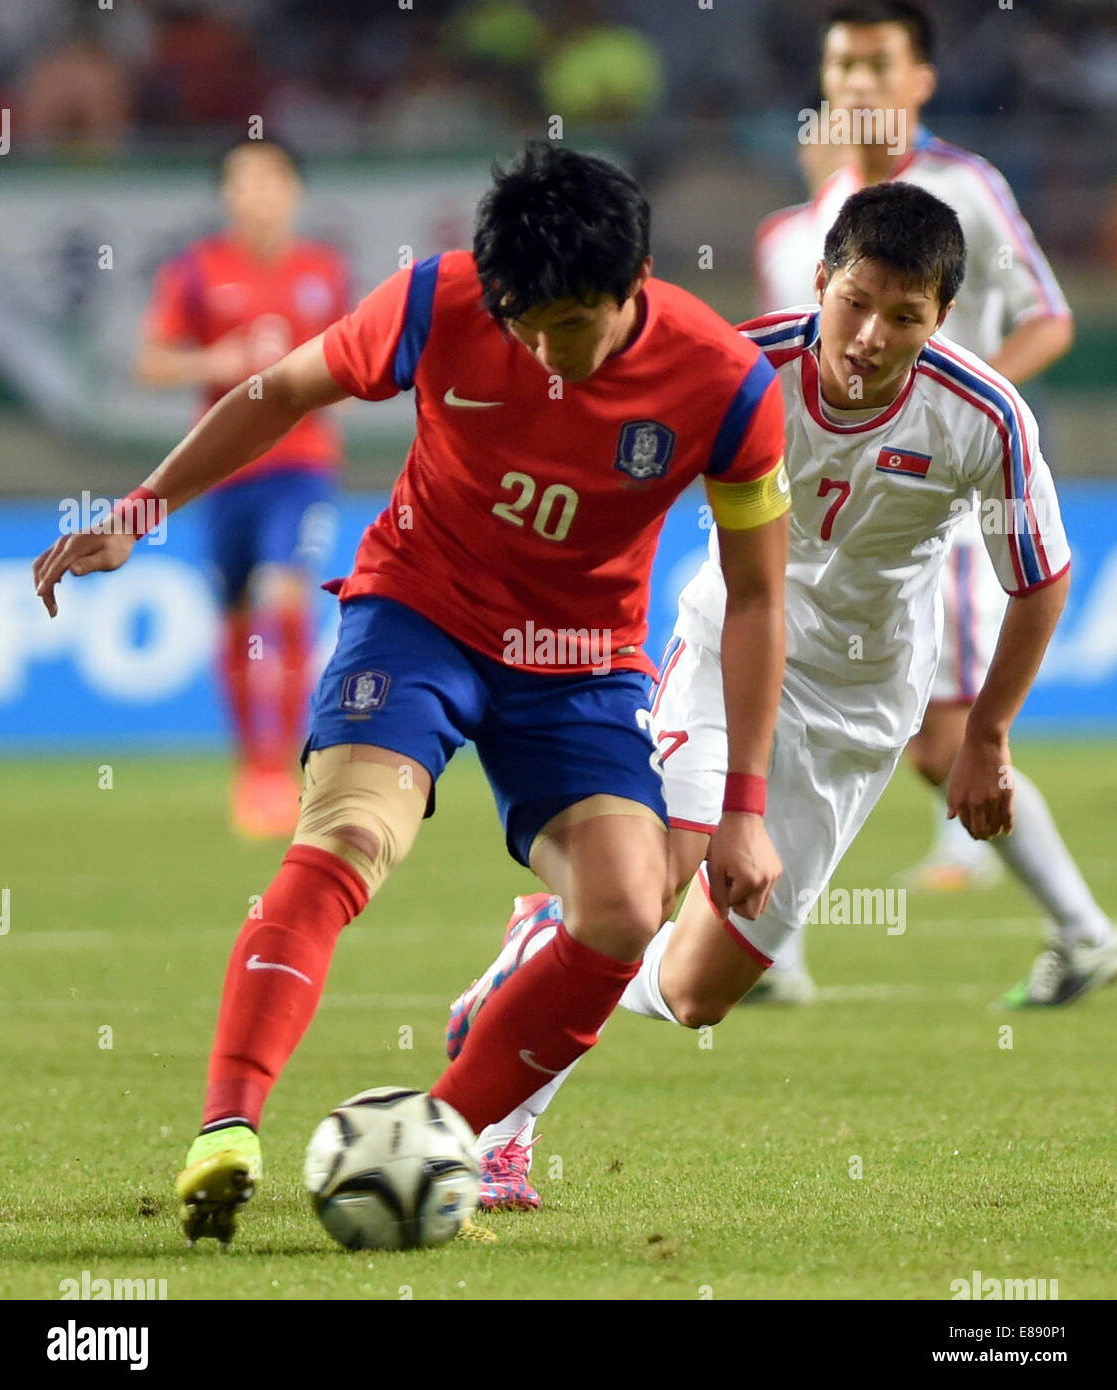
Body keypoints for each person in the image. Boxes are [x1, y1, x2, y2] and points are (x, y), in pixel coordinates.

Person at [33, 142, 790, 1246]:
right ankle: (227, 1127)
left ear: (633, 290)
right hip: (420, 612)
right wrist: (138, 513)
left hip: (583, 660)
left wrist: (746, 807)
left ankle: (433, 1137)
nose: (538, 349)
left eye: (566, 327)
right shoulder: (437, 300)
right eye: (520, 321)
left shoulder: (723, 386)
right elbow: (279, 387)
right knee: (346, 836)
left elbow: (761, 597)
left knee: (626, 909)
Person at [448, 181, 1089, 1214]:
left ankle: (540, 943)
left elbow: (1041, 577)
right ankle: (499, 1134)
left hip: (859, 710)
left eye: (905, 317)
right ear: (822, 280)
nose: (869, 337)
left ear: (942, 318)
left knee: (697, 994)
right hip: (724, 649)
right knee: (656, 875)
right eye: (855, 301)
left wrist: (986, 736)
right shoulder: (734, 364)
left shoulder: (984, 418)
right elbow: (604, 449)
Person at [752, 0, 1113, 1007]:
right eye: (842, 67)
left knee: (940, 742)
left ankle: (1082, 931)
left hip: (939, 507)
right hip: (824, 519)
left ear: (919, 81)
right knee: (782, 708)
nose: (858, 86)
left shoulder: (966, 190)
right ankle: (768, 945)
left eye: (878, 65)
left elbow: (1048, 317)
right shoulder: (807, 222)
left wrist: (956, 409)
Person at [136, 139, 349, 839]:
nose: (254, 192)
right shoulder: (196, 272)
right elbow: (152, 363)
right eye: (240, 180)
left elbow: (353, 364)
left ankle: (275, 772)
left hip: (301, 464)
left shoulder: (324, 271)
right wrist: (217, 359)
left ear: (293, 190)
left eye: (267, 178)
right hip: (222, 470)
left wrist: (307, 385)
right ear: (226, 194)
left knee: (283, 595)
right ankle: (248, 762)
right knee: (232, 615)